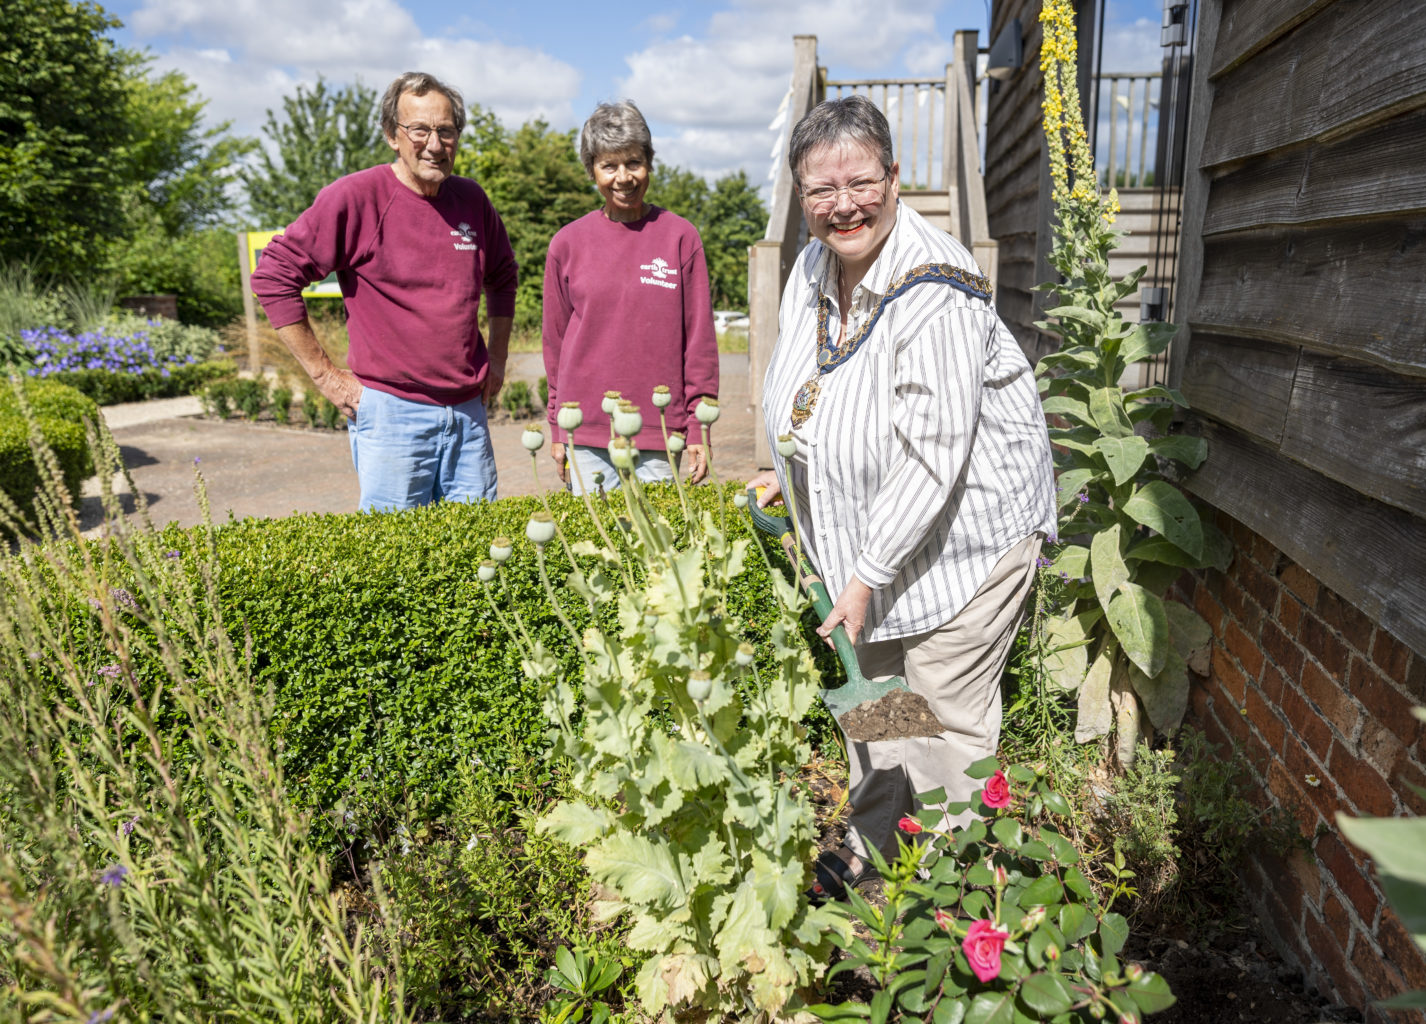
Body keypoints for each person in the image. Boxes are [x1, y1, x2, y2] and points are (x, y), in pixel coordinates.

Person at [748, 96, 1057, 901]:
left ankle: (959, 898)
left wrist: (863, 577)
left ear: (893, 178)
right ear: (801, 195)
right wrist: (787, 461)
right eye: (822, 189)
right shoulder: (814, 265)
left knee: (942, 713)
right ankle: (876, 849)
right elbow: (806, 379)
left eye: (860, 182)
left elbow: (931, 456)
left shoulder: (936, 289)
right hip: (875, 551)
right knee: (881, 700)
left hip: (964, 542)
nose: (843, 204)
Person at [252, 71, 518, 512]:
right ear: (392, 136)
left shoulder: (472, 200)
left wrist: (499, 358)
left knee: (479, 542)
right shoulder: (357, 197)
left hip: (468, 415)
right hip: (393, 415)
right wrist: (325, 376)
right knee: (398, 549)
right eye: (419, 130)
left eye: (446, 130)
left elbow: (503, 276)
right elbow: (274, 276)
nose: (435, 144)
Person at [542, 101, 719, 493]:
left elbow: (700, 342)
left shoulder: (680, 237)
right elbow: (554, 346)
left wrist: (698, 428)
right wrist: (557, 425)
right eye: (609, 166)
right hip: (585, 434)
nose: (623, 178)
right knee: (594, 534)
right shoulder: (567, 243)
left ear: (649, 162)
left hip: (660, 433)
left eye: (633, 163)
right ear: (592, 170)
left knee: (660, 535)